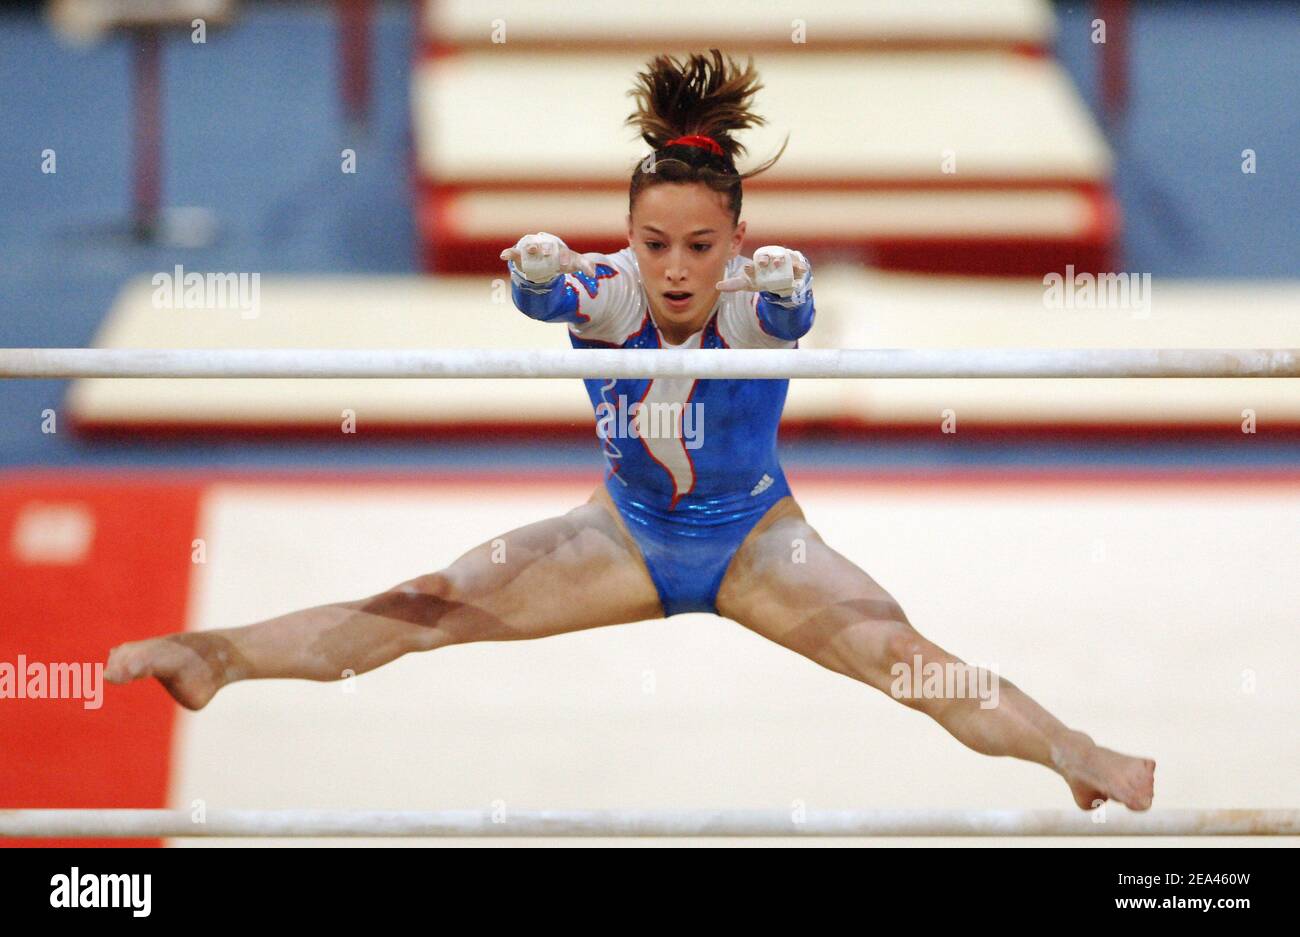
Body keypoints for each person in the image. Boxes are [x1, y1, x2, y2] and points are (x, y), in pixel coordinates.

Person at [106, 50, 1154, 812]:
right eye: (656, 243)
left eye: (703, 245)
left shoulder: (753, 295)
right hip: (619, 536)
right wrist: (533, 277)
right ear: (629, 238)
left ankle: (1073, 748)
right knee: (417, 606)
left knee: (913, 664)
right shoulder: (609, 291)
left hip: (757, 546)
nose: (679, 269)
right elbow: (549, 303)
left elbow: (786, 319)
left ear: (737, 240)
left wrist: (789, 293)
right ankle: (216, 657)